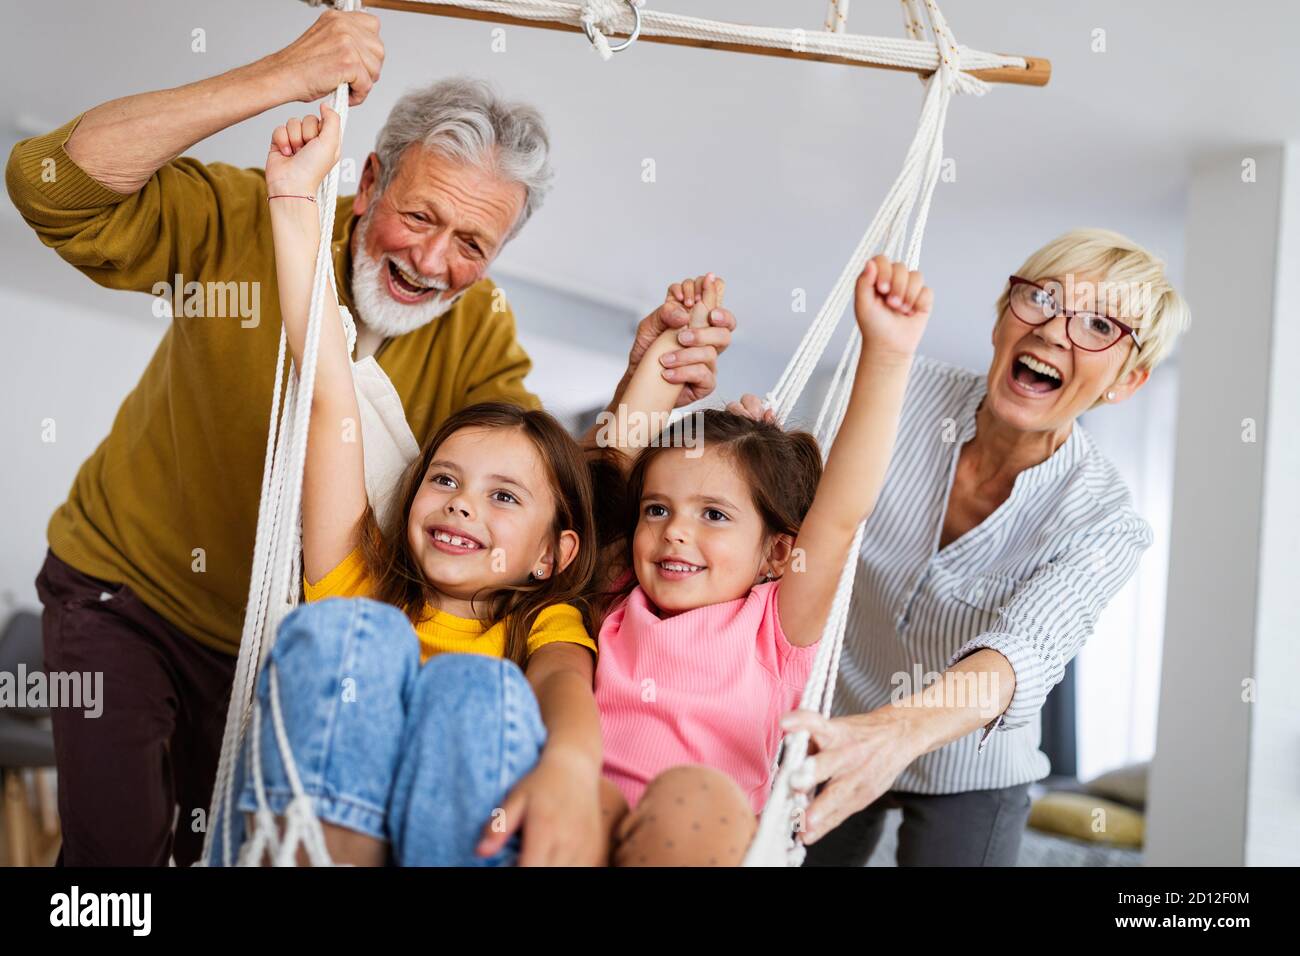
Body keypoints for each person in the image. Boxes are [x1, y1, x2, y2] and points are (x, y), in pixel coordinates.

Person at [11, 7, 735, 866]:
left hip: (284, 646)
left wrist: (640, 383)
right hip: (127, 595)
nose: (433, 263)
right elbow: (51, 184)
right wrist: (281, 76)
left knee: (236, 843)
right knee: (118, 854)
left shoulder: (478, 335)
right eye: (422, 217)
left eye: (472, 242)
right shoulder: (247, 221)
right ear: (371, 181)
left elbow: (535, 491)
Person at [728, 231, 1190, 866]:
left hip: (971, 767)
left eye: (1097, 324)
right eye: (1041, 299)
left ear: (1127, 380)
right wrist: (748, 468)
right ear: (1004, 315)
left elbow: (1024, 649)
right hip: (832, 719)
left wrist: (895, 734)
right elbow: (797, 516)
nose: (1054, 332)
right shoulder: (895, 392)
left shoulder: (1107, 521)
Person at [577, 259, 932, 865]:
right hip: (586, 824)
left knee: (690, 801)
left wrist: (888, 355)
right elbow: (613, 466)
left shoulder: (773, 625)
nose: (675, 534)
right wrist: (673, 346)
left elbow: (842, 513)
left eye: (713, 515)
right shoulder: (618, 590)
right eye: (657, 510)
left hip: (700, 838)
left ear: (776, 553)